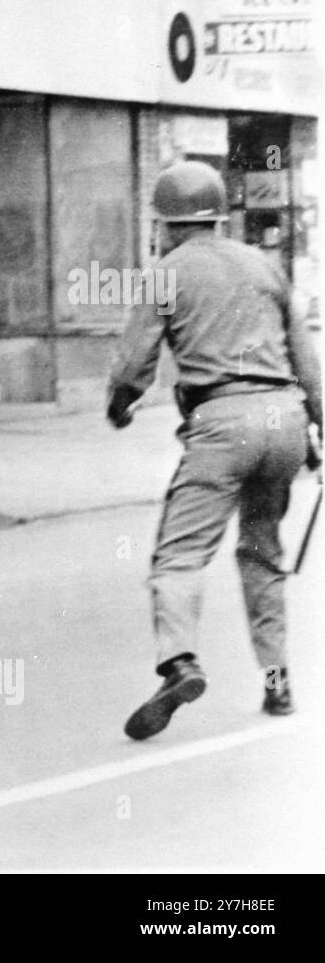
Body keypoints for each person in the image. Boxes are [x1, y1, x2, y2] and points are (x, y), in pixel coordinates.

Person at [110, 160, 322, 741]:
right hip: (284, 419)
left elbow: (134, 364)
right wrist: (320, 427)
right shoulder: (263, 264)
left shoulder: (166, 272)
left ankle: (180, 663)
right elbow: (307, 362)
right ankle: (278, 679)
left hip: (222, 422)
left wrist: (120, 403)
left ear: (168, 223)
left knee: (178, 556)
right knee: (261, 553)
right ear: (217, 217)